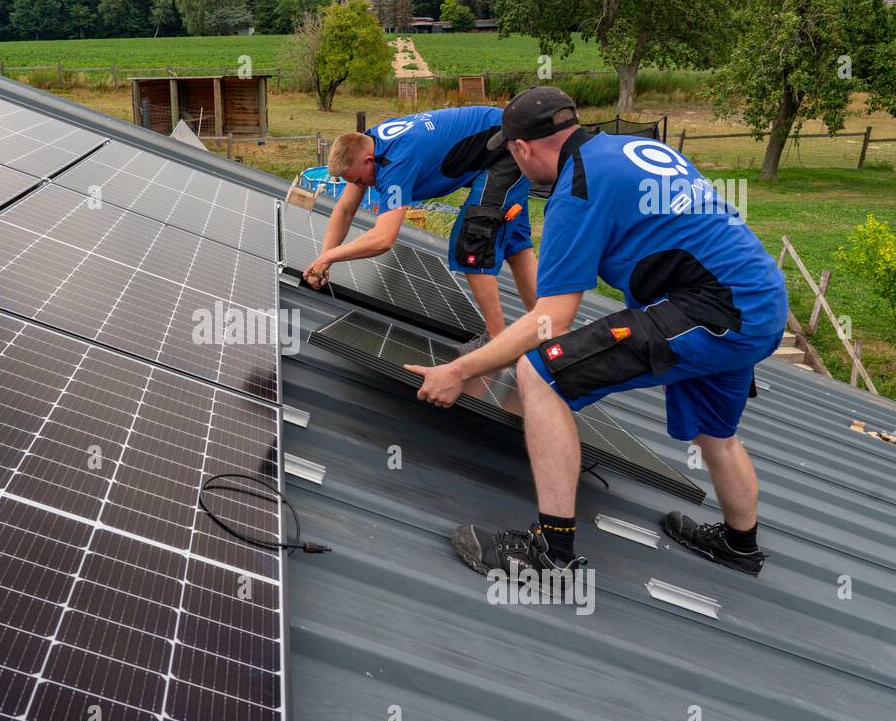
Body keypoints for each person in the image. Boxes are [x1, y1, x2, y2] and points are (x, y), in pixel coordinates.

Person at [404, 86, 788, 577]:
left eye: (514, 156)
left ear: (521, 148)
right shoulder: (628, 149)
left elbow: (550, 321)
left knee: (540, 375)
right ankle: (740, 544)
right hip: (758, 301)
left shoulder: (577, 188)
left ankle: (551, 556)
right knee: (717, 434)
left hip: (715, 312)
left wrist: (458, 370)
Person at [302, 105, 537, 349]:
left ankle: (496, 343)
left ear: (369, 160)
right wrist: (324, 259)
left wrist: (330, 255)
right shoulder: (369, 144)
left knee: (472, 244)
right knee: (515, 246)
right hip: (500, 137)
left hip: (506, 149)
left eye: (360, 181)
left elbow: (384, 238)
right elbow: (345, 209)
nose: (362, 186)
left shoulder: (395, 164)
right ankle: (544, 325)